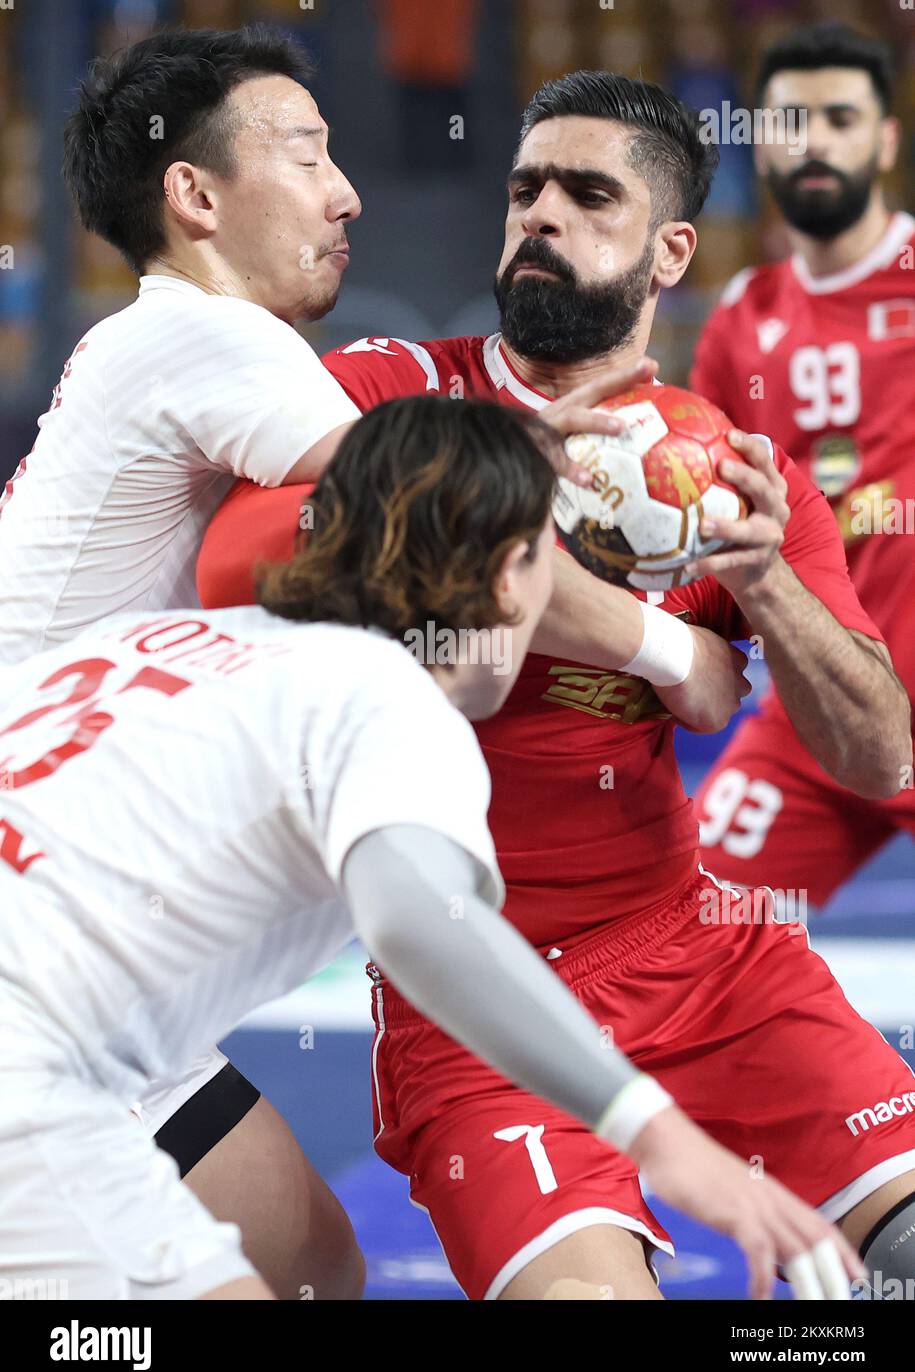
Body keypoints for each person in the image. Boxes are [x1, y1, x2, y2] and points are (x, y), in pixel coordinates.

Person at [189, 72, 915, 1301]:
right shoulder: (391, 390)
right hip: (476, 988)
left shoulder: (735, 478)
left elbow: (884, 755)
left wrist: (766, 584)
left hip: (705, 951)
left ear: (671, 248)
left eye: (589, 195)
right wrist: (630, 622)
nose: (542, 217)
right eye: (526, 190)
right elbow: (230, 566)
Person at [0, 394, 859, 1301]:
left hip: (77, 1051)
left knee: (311, 1271)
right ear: (511, 576)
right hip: (32, 1073)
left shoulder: (149, 642)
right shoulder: (384, 699)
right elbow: (419, 923)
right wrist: (658, 1135)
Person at [0, 25, 363, 670]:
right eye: (309, 162)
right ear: (196, 196)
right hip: (34, 758)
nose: (346, 198)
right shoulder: (209, 332)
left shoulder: (147, 335)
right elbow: (429, 481)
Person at [689, 21, 915, 908]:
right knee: (691, 915)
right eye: (788, 121)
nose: (813, 140)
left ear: (885, 139)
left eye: (839, 117)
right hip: (822, 708)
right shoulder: (740, 316)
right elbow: (701, 506)